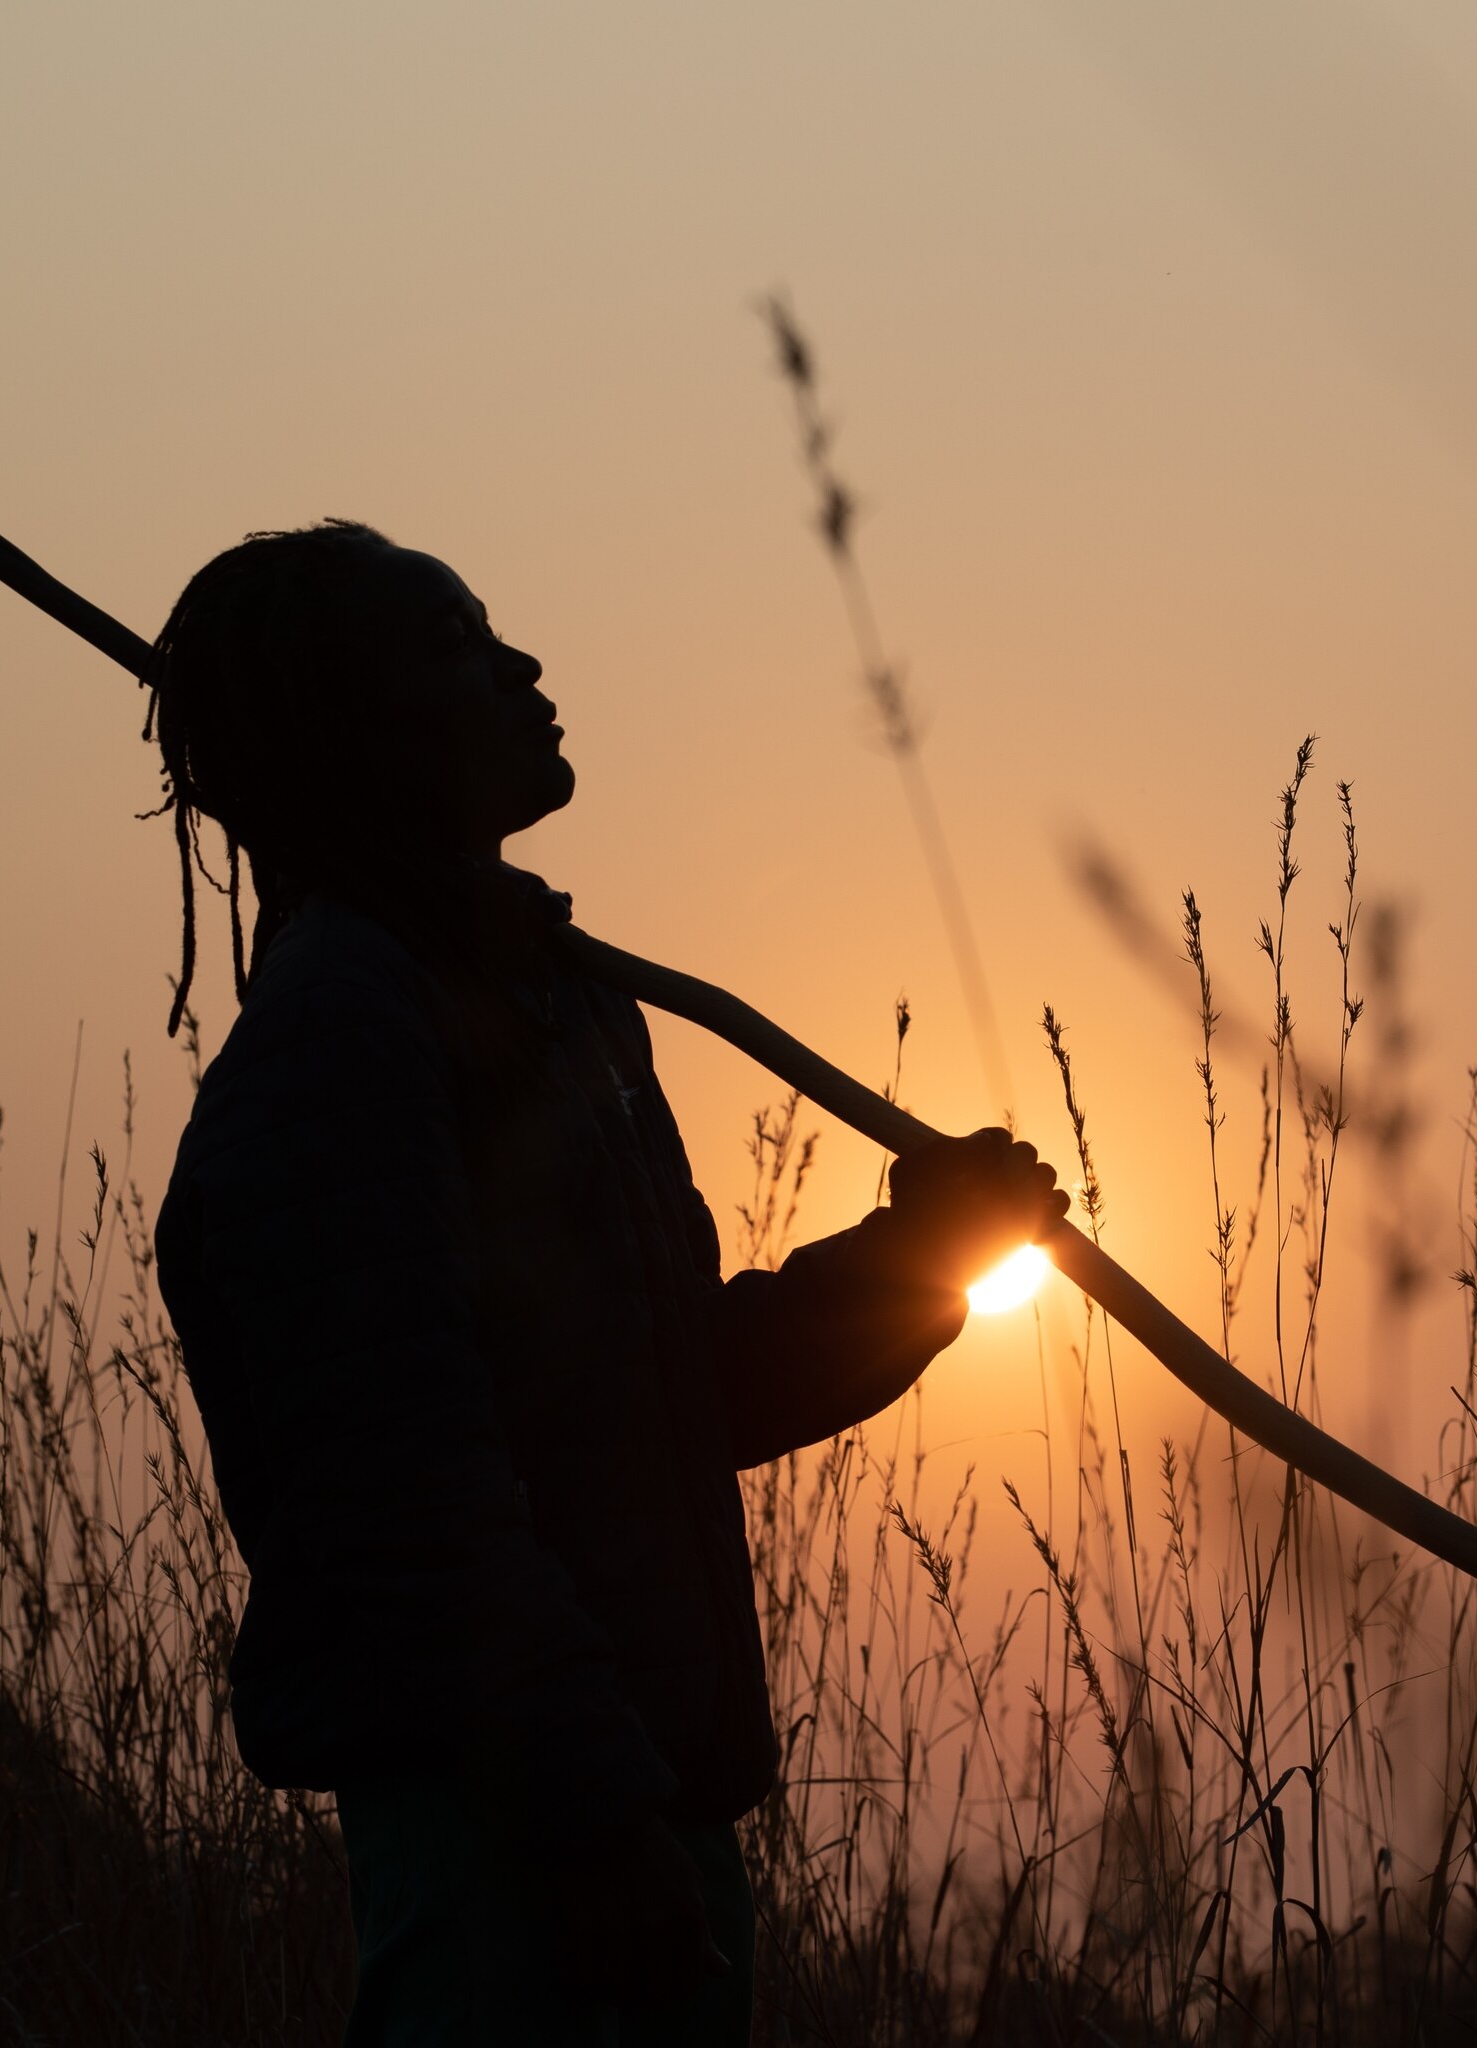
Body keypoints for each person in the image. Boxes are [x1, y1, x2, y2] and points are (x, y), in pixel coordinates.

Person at [146, 520, 1063, 2045]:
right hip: (524, 1849)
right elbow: (406, 1502)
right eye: (454, 647)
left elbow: (666, 1392)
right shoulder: (338, 1046)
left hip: (624, 1816)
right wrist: (593, 1826)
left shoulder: (553, 1014)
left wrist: (924, 1263)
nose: (523, 668)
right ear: (358, 732)